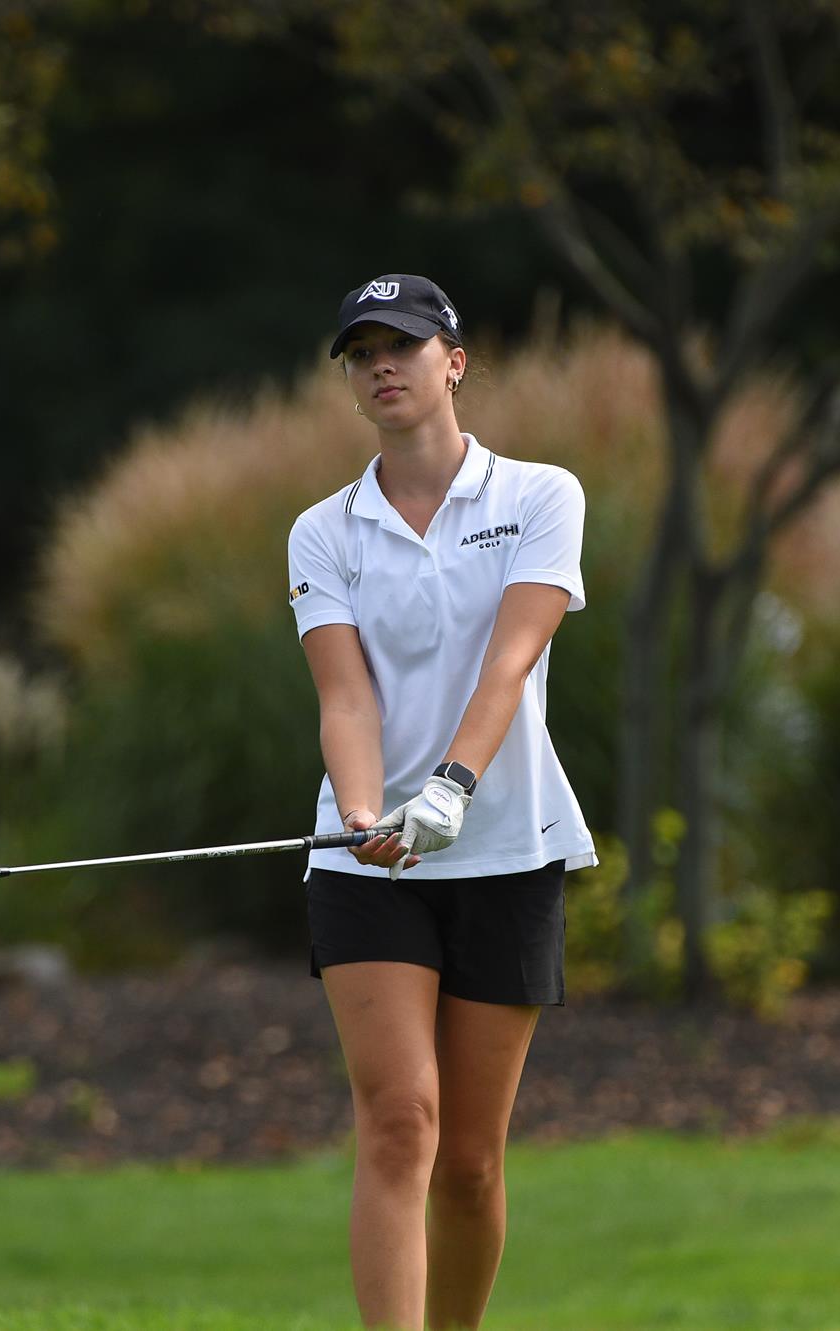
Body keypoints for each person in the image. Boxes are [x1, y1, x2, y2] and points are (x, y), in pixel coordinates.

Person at [285, 273, 599, 1331]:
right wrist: (373, 812)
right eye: (360, 351)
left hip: (507, 850)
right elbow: (345, 696)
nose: (380, 364)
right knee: (399, 1122)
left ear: (453, 360)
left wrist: (451, 788)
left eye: (402, 345)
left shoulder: (538, 495)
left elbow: (509, 662)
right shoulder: (323, 532)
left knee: (466, 1162)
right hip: (367, 865)